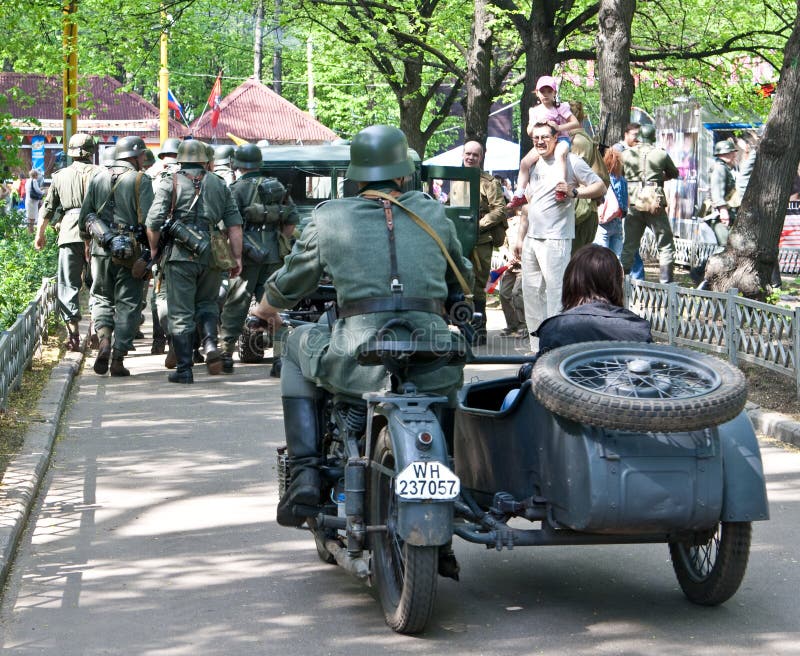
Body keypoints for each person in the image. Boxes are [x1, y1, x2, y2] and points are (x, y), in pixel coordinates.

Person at [248, 125, 473, 527]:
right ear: (403, 174)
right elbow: (465, 278)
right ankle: (455, 470)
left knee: (296, 343)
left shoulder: (329, 217)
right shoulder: (433, 213)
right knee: (446, 388)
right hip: (433, 351)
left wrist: (266, 310)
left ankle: (305, 472)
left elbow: (292, 280)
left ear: (355, 176)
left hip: (357, 355)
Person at [145, 139, 243, 384]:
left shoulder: (171, 181)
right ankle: (210, 345)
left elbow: (153, 221)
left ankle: (185, 369)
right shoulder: (220, 184)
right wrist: (236, 256)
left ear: (181, 159)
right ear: (204, 160)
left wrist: (154, 248)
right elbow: (234, 225)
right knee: (208, 303)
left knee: (181, 312)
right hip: (212, 253)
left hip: (180, 255)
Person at [514, 121, 606, 353]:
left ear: (556, 138)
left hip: (556, 239)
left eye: (545, 137)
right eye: (536, 138)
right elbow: (529, 205)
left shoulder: (572, 161)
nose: (540, 141)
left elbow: (600, 186)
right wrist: (520, 237)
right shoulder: (534, 164)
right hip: (532, 239)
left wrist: (575, 192)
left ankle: (555, 349)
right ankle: (537, 349)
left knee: (555, 295)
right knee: (532, 295)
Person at [219, 143, 298, 375]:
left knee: (236, 304)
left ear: (237, 164)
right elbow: (291, 219)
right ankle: (280, 358)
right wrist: (279, 240)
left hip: (245, 254)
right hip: (273, 255)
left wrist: (234, 254)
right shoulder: (277, 186)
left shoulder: (236, 189)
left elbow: (229, 225)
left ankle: (225, 355)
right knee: (273, 305)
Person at [78, 135, 154, 376]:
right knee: (129, 304)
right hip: (131, 252)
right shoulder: (141, 179)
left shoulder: (98, 176)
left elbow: (85, 218)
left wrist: (89, 243)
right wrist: (151, 254)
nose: (144, 158)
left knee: (100, 297)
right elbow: (150, 221)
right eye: (142, 154)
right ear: (133, 155)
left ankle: (103, 341)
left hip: (101, 249)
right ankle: (118, 358)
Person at [34, 134, 100, 351]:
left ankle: (73, 336)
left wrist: (40, 234)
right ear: (92, 151)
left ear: (72, 152)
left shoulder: (60, 176)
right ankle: (95, 330)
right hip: (98, 233)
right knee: (98, 284)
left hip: (70, 233)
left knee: (67, 285)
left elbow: (48, 208)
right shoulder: (102, 174)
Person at [534, 243, 652, 352]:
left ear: (570, 282)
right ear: (616, 283)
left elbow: (542, 372)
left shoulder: (554, 329)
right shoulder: (639, 330)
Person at [449, 140, 507, 345]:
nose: (471, 157)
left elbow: (500, 209)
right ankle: (465, 328)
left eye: (475, 154)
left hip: (481, 239)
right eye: (468, 154)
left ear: (481, 157)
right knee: (460, 281)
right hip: (458, 239)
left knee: (479, 283)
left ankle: (478, 331)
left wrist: (477, 225)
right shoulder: (455, 177)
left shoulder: (489, 182)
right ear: (463, 155)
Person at [507, 76, 580, 210]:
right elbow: (529, 131)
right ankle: (519, 194)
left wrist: (558, 128)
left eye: (549, 91)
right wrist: (535, 124)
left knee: (559, 155)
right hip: (543, 142)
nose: (545, 95)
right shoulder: (534, 111)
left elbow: (575, 123)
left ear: (554, 93)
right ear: (537, 93)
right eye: (542, 91)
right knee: (524, 162)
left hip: (560, 140)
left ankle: (561, 187)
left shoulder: (560, 108)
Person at [620, 123, 679, 283]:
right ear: (654, 136)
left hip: (634, 203)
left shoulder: (626, 154)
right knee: (665, 243)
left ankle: (620, 282)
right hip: (655, 203)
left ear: (639, 137)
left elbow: (621, 173)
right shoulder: (660, 154)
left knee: (629, 245)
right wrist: (658, 178)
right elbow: (674, 173)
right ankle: (667, 284)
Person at [568, 101, 610, 254]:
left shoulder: (577, 141)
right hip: (583, 210)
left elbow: (578, 174)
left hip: (580, 212)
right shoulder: (580, 139)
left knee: (573, 264)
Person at [498, 208, 526, 337]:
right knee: (504, 293)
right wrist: (508, 256)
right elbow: (502, 244)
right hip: (510, 266)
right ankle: (512, 325)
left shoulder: (531, 223)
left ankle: (523, 325)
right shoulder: (509, 224)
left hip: (525, 266)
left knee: (517, 293)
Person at [594, 147, 627, 259]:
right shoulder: (622, 179)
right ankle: (617, 276)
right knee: (616, 258)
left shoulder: (601, 178)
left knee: (601, 258)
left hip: (603, 221)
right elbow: (625, 201)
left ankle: (601, 277)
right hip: (617, 220)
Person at [25, 169, 43, 234]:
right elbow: (37, 190)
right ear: (35, 175)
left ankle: (29, 230)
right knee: (32, 217)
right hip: (32, 201)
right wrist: (43, 192)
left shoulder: (28, 181)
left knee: (29, 216)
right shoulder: (34, 180)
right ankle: (31, 231)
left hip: (28, 200)